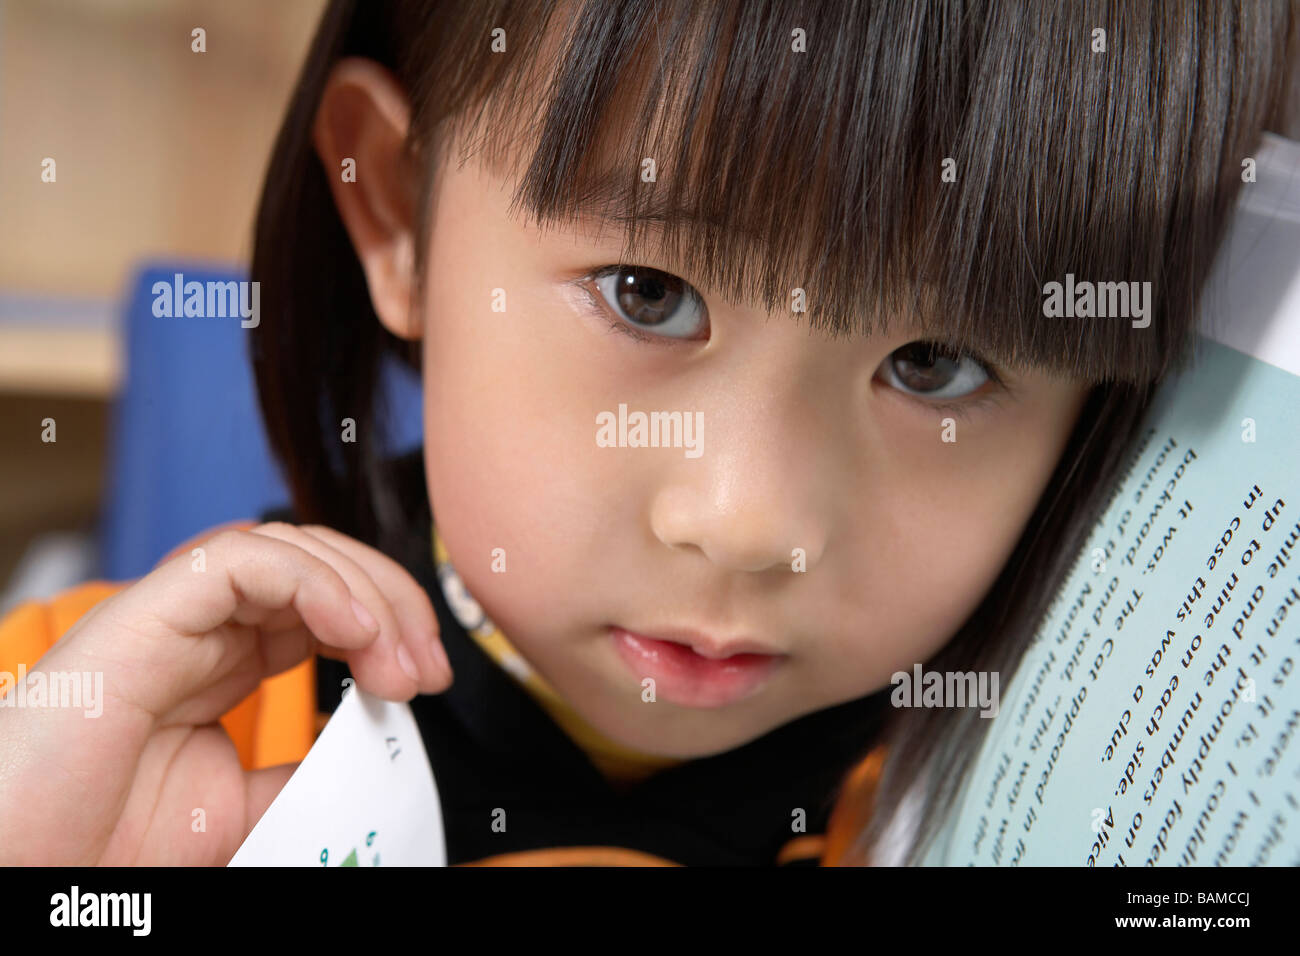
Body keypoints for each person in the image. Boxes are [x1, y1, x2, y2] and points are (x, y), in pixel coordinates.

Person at [1, 0, 1295, 866]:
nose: (746, 523)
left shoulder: (1024, 820)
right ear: (399, 212)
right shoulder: (70, 728)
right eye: (648, 294)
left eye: (935, 364)